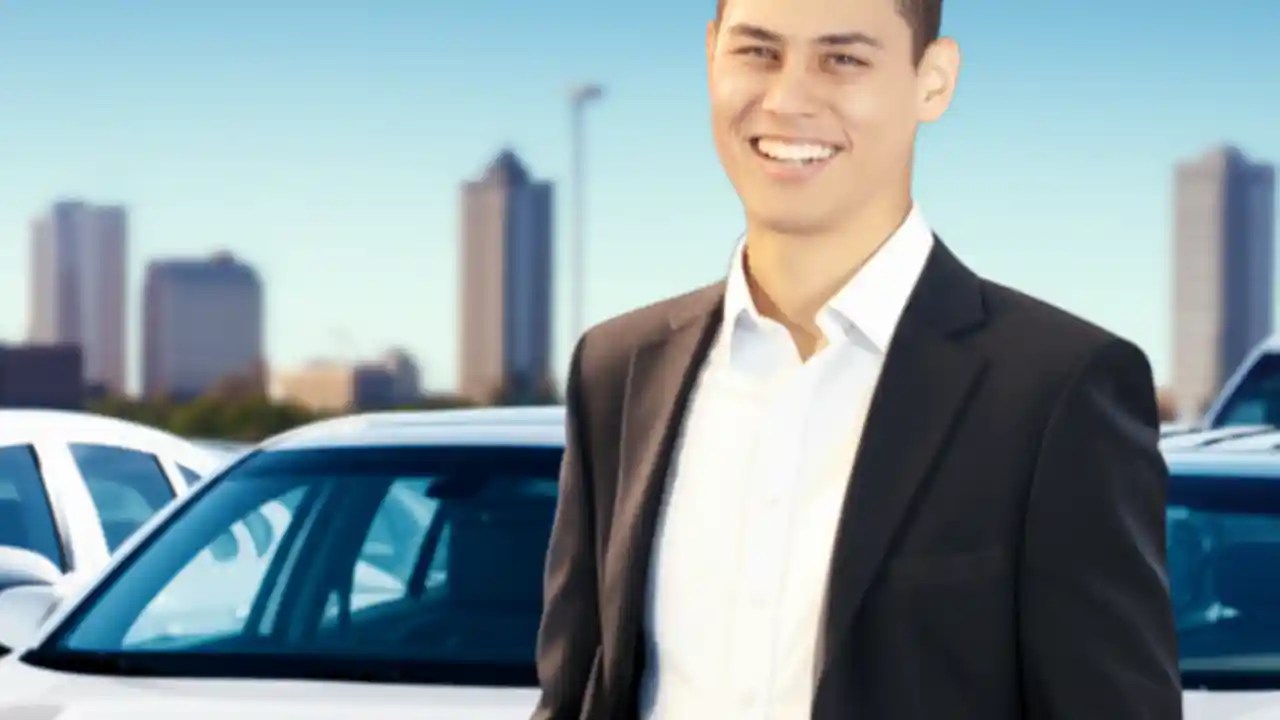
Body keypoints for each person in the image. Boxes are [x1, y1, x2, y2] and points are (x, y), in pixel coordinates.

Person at [532, 0, 1183, 717]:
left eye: (842, 59)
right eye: (758, 52)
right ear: (712, 56)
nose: (787, 98)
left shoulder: (1057, 390)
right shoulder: (619, 369)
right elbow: (573, 694)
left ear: (932, 82)